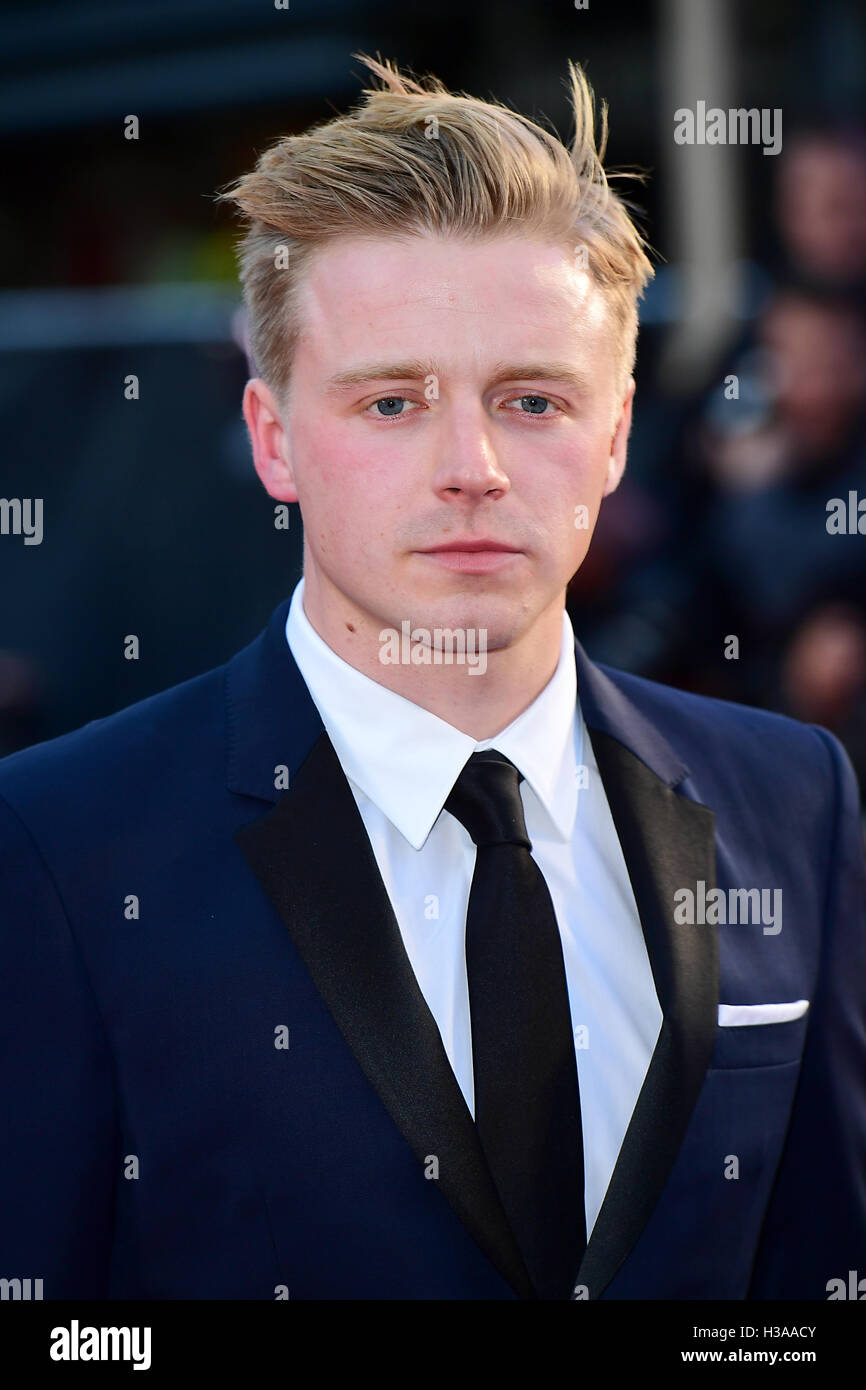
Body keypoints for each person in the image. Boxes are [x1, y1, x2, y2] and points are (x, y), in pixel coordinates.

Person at [1, 53, 864, 1302]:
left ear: (615, 432)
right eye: (394, 403)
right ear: (274, 439)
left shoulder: (793, 800)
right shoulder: (58, 849)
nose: (473, 466)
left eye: (528, 399)